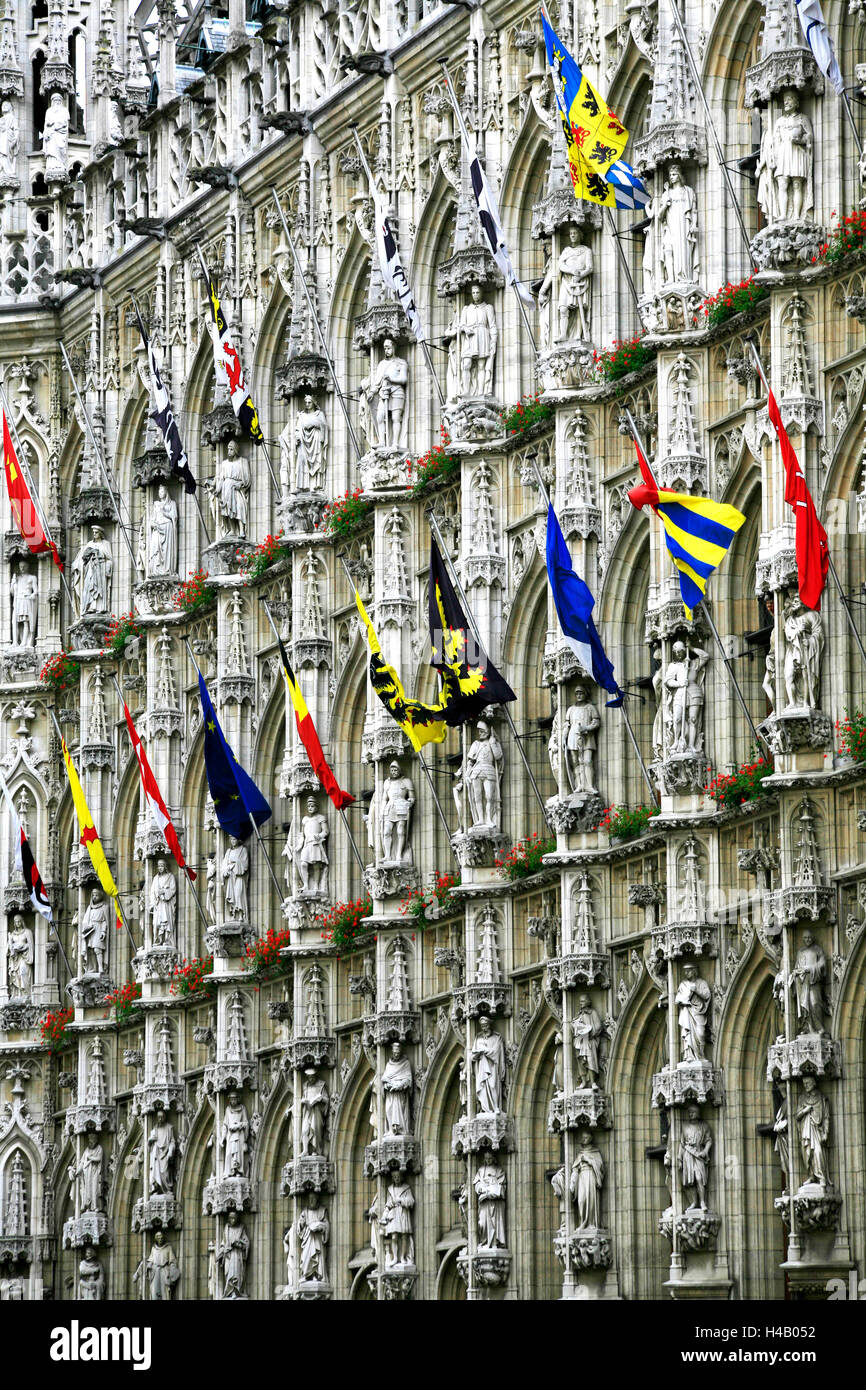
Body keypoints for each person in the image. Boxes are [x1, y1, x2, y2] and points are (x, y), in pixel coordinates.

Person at [471, 1016, 506, 1114]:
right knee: (482, 1088)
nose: (484, 1028)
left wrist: (485, 1051)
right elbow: (473, 1056)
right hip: (482, 1067)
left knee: (493, 1086)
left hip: (493, 1067)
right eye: (482, 1026)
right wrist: (479, 1053)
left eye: (485, 1025)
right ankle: (485, 1109)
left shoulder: (496, 1038)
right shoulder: (478, 1039)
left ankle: (495, 1107)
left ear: (489, 1025)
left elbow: (497, 1053)